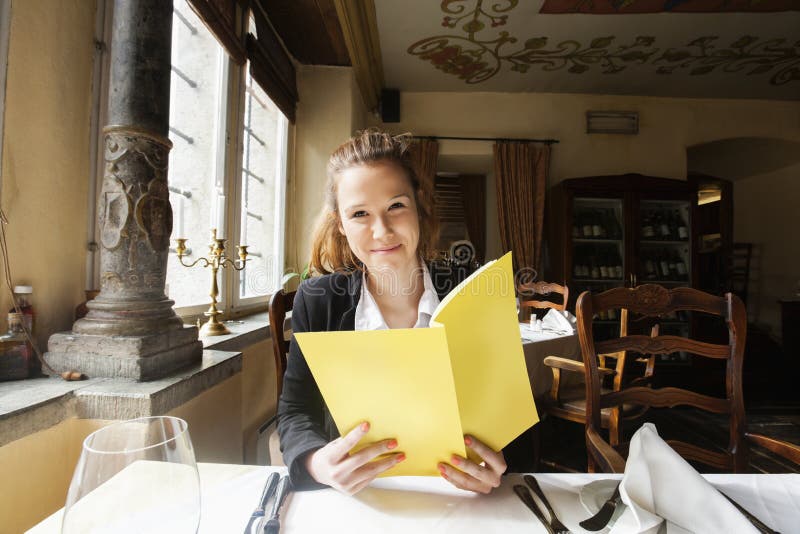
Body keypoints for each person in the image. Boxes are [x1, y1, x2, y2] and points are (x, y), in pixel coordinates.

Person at [277, 129, 534, 495]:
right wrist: (316, 462)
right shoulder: (319, 300)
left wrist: (499, 465)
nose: (382, 231)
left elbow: (510, 416)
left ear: (419, 206)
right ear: (341, 225)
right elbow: (295, 410)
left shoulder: (475, 290)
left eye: (396, 206)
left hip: (462, 498)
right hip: (363, 499)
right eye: (360, 213)